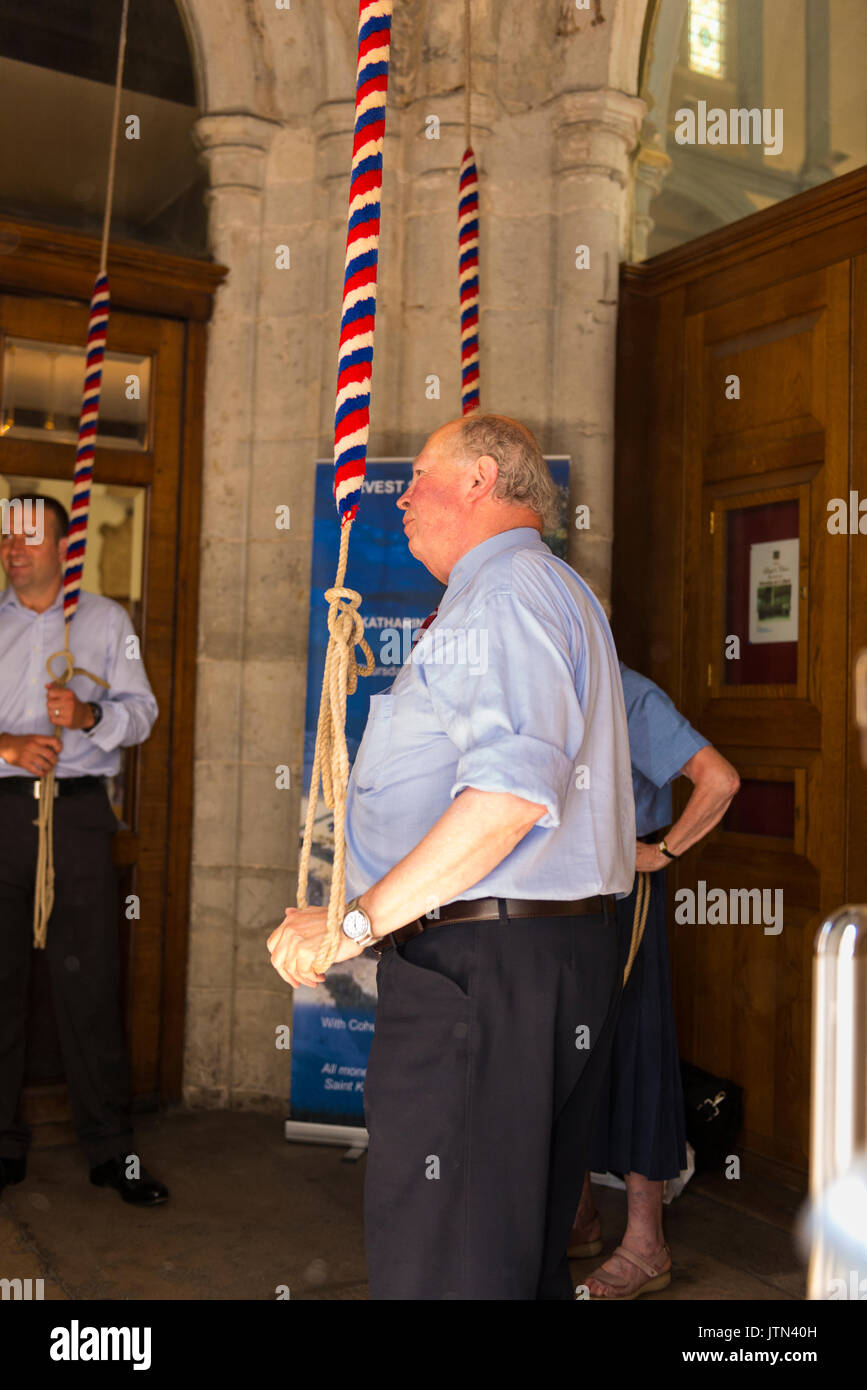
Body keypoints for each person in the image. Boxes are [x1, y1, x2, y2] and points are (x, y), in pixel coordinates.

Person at [268, 413, 636, 1300]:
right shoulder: (534, 592)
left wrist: (351, 925)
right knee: (505, 1252)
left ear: (478, 479)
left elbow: (508, 799)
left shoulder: (503, 597)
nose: (399, 499)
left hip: (479, 971)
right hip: (526, 965)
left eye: (417, 476)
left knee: (450, 1262)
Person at [0, 493, 168, 1206]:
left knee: (90, 986)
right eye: (7, 537)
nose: (14, 549)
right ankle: (2, 1148)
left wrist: (90, 714)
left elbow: (143, 715)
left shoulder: (104, 622)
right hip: (4, 816)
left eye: (29, 538)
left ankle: (110, 1151)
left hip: (77, 819)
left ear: (64, 548)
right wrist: (5, 745)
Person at [569, 662, 740, 1298]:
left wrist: (660, 853)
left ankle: (646, 1245)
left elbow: (719, 781)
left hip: (624, 888)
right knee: (571, 1053)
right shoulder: (543, 684)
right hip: (568, 887)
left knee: (635, 1050)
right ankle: (580, 1220)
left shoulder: (627, 691)